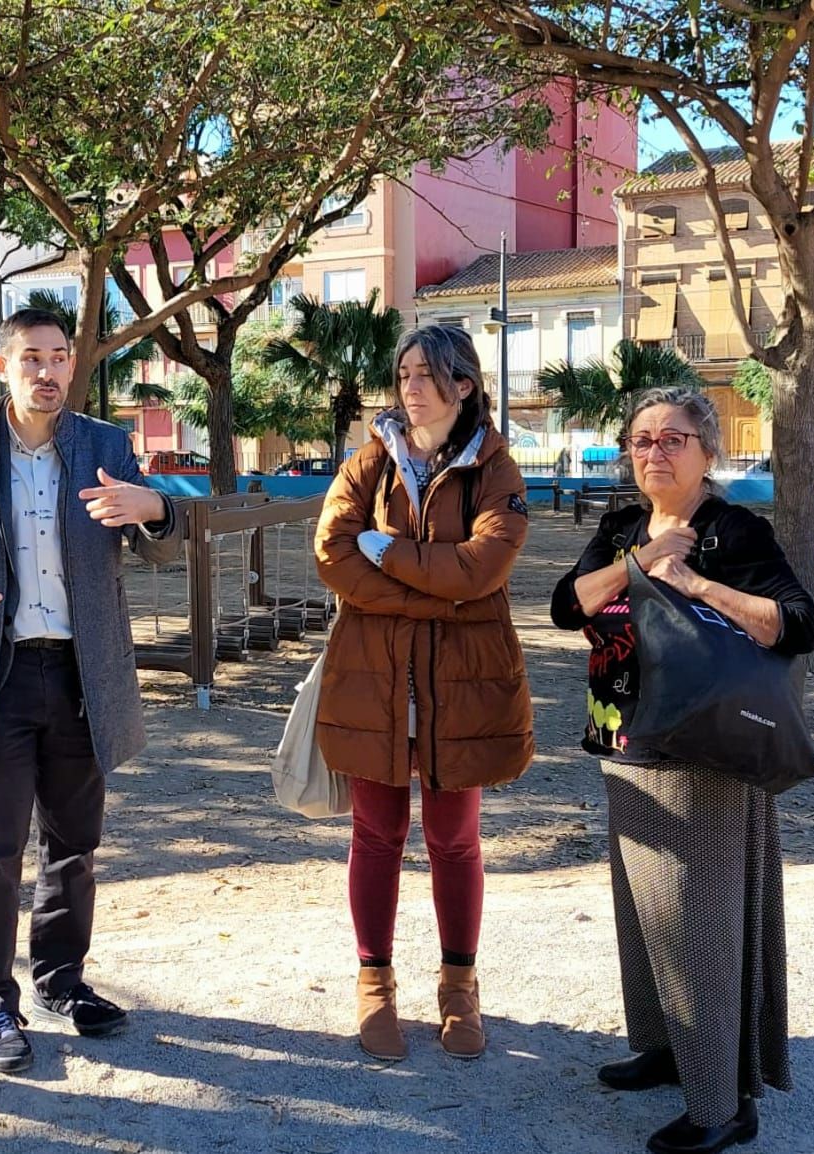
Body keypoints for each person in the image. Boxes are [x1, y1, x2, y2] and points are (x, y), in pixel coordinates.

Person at [0, 307, 180, 1075]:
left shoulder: (104, 446)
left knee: (74, 848)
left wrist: (154, 510)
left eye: (59, 357)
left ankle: (61, 980)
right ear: (2, 367)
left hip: (84, 675)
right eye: (31, 358)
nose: (47, 372)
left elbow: (161, 544)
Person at [550, 387, 814, 1154]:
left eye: (673, 439)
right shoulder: (619, 527)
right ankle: (668, 1048)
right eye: (640, 439)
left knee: (698, 926)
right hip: (625, 742)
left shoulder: (733, 530)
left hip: (703, 753)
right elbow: (565, 609)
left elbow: (797, 626)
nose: (654, 452)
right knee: (645, 916)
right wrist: (637, 563)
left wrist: (695, 582)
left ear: (707, 452)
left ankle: (721, 1104)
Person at [313, 324, 533, 1063]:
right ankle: (374, 984)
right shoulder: (365, 463)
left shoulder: (496, 469)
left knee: (454, 838)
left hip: (462, 684)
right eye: (402, 372)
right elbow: (333, 556)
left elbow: (480, 568)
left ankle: (458, 988)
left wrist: (392, 555)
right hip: (374, 676)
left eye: (427, 374)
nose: (409, 385)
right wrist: (432, 594)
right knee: (376, 835)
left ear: (463, 385)